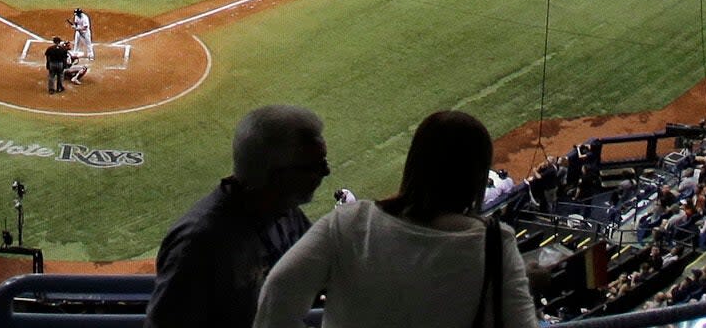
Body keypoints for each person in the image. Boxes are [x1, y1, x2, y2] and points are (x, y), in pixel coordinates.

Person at [251, 110, 533, 328]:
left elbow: (277, 294)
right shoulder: (496, 244)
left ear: (414, 164)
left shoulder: (349, 222)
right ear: (478, 176)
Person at [148, 105, 329, 328]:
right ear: (273, 173)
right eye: (313, 166)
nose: (326, 172)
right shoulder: (198, 244)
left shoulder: (285, 211)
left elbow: (319, 270)